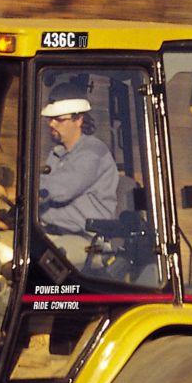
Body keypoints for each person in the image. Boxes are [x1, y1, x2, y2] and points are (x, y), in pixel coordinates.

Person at [32, 96, 123, 262]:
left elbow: (60, 190)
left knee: (37, 264)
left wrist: (22, 188)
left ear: (79, 120)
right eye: (50, 119)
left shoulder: (93, 152)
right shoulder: (57, 153)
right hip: (50, 233)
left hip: (88, 242)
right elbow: (42, 196)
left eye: (58, 119)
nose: (51, 124)